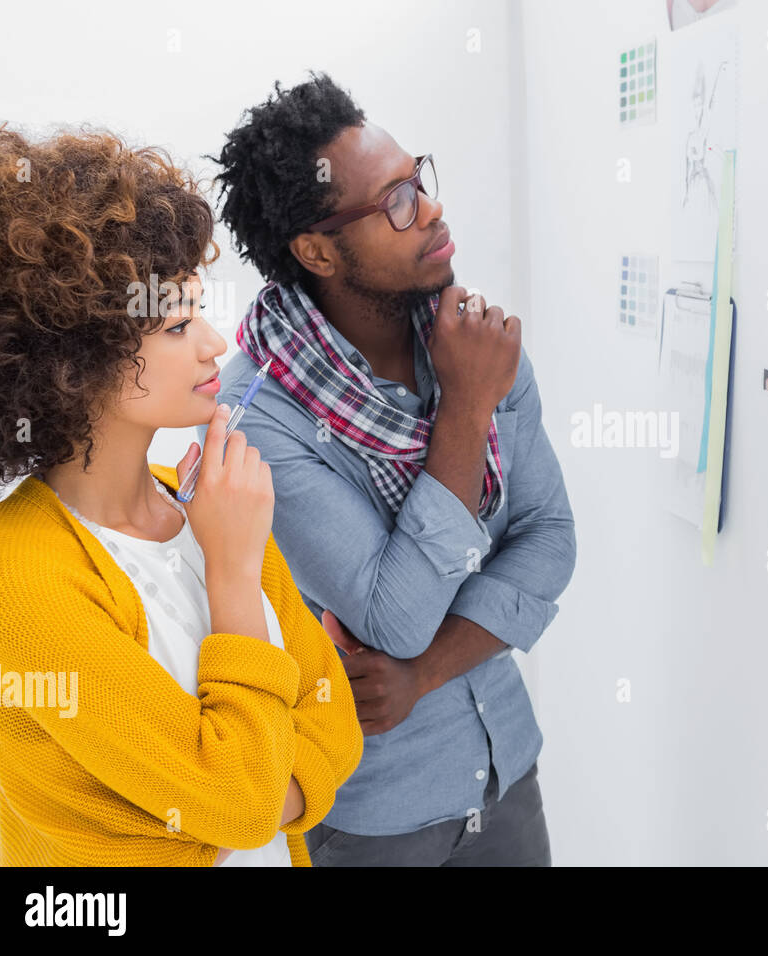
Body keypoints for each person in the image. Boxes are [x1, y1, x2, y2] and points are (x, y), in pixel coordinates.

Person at [207, 73, 575, 866]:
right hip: (377, 815)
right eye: (395, 202)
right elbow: (393, 617)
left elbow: (550, 543)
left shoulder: (473, 342)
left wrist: (425, 673)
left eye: (420, 180)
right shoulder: (260, 421)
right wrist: (467, 411)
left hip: (505, 766)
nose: (431, 209)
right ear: (316, 250)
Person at [0, 125, 362, 866]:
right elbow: (243, 802)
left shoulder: (201, 501)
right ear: (76, 359)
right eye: (179, 323)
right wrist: (232, 573)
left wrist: (250, 801)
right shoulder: (16, 572)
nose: (216, 343)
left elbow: (334, 718)